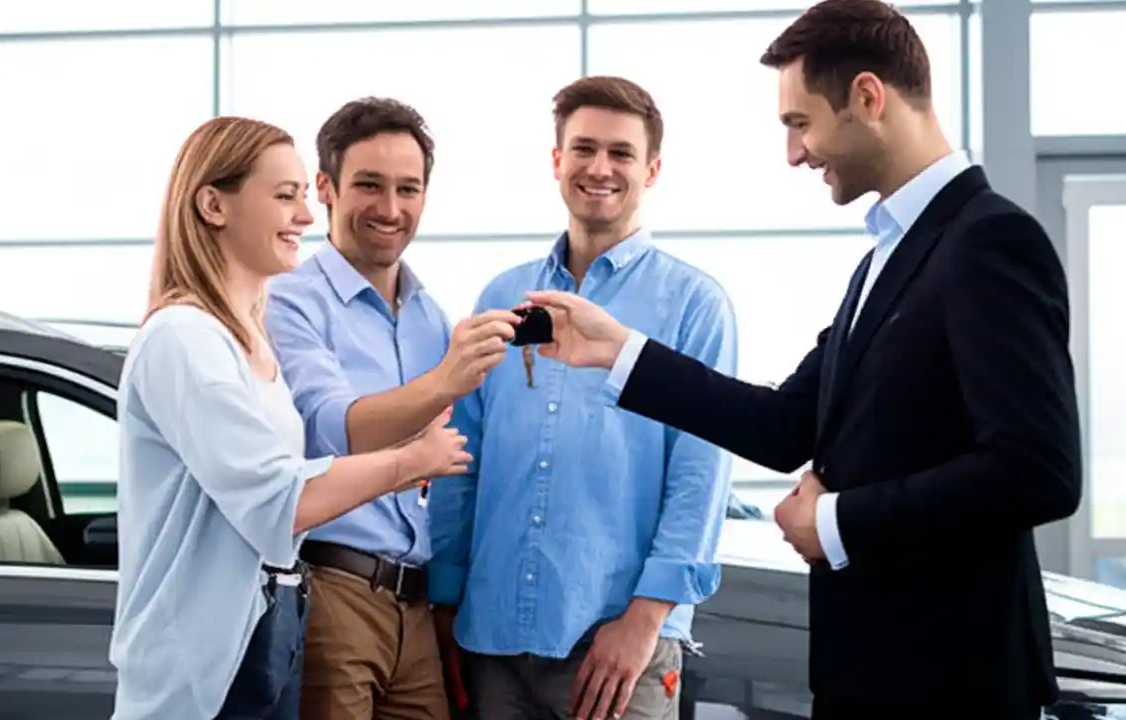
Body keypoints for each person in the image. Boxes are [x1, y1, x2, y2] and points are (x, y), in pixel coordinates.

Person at [523, 2, 1083, 718]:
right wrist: (619, 351)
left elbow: (1038, 471)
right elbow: (789, 424)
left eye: (800, 122)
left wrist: (839, 522)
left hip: (949, 680)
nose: (795, 153)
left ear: (868, 98)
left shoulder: (989, 241)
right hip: (871, 674)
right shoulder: (888, 255)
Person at [110, 116, 471, 720]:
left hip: (261, 639)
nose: (304, 217)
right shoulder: (183, 338)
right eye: (285, 197)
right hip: (198, 671)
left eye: (301, 196)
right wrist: (410, 460)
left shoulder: (245, 340)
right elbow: (282, 497)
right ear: (212, 205)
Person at [427, 75, 737, 720]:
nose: (601, 168)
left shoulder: (692, 306)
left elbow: (699, 479)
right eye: (584, 148)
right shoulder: (500, 299)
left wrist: (647, 621)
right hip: (491, 641)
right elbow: (463, 457)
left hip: (616, 649)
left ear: (651, 170)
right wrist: (446, 597)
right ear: (556, 161)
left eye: (621, 153)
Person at [264, 97, 518, 719]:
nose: (391, 208)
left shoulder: (432, 319)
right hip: (333, 592)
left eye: (409, 188)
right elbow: (330, 428)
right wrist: (445, 382)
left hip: (416, 604)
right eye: (369, 186)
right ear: (325, 187)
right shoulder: (290, 302)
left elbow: (455, 467)